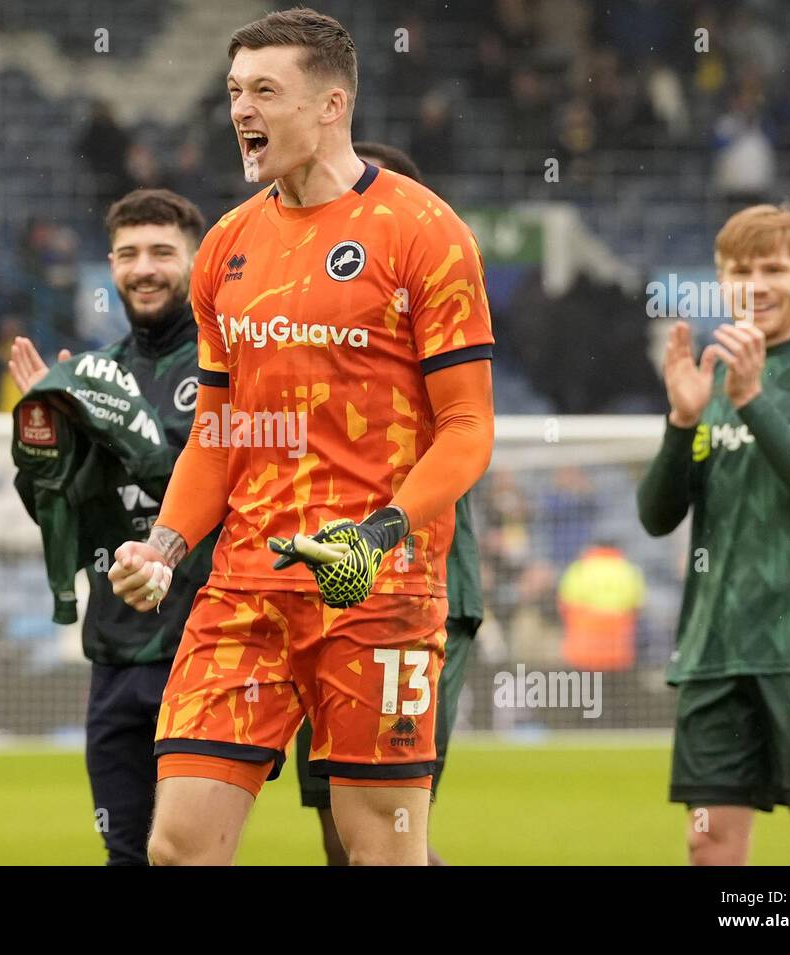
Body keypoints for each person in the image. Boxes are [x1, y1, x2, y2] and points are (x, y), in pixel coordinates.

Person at [110, 8, 494, 866]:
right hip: (247, 585)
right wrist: (166, 546)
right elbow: (216, 431)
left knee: (383, 854)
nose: (242, 110)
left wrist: (378, 535)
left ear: (330, 104)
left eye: (264, 91)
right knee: (176, 846)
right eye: (234, 91)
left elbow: (468, 428)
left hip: (378, 590)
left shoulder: (425, 232)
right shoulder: (224, 248)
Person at [637, 204, 790, 866]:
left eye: (774, 268)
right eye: (741, 270)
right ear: (722, 281)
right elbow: (657, 516)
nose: (757, 284)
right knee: (709, 844)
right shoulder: (708, 374)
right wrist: (682, 422)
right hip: (717, 649)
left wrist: (753, 402)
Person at [289, 141, 484, 866]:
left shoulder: (436, 295)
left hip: (418, 588)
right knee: (338, 819)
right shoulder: (307, 312)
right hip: (321, 588)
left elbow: (462, 432)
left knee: (388, 821)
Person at [9, 189, 217, 865]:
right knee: (126, 855)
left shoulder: (225, 366)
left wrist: (114, 421)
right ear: (110, 266)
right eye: (128, 253)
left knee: (186, 855)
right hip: (114, 654)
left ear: (197, 258)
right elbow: (60, 508)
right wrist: (44, 446)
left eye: (162, 251)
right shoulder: (96, 374)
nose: (144, 267)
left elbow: (209, 487)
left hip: (203, 647)